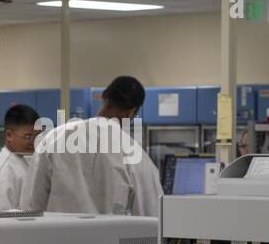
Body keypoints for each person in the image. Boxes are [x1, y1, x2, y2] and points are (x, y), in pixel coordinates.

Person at [19, 75, 162, 217]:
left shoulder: (54, 138)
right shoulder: (136, 155)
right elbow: (152, 218)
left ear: (104, 97)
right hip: (108, 239)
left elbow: (30, 206)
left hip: (57, 238)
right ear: (132, 112)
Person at [0, 103, 39, 212]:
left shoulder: (21, 159)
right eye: (28, 137)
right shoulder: (4, 170)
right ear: (9, 135)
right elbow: (0, 216)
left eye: (37, 136)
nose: (34, 142)